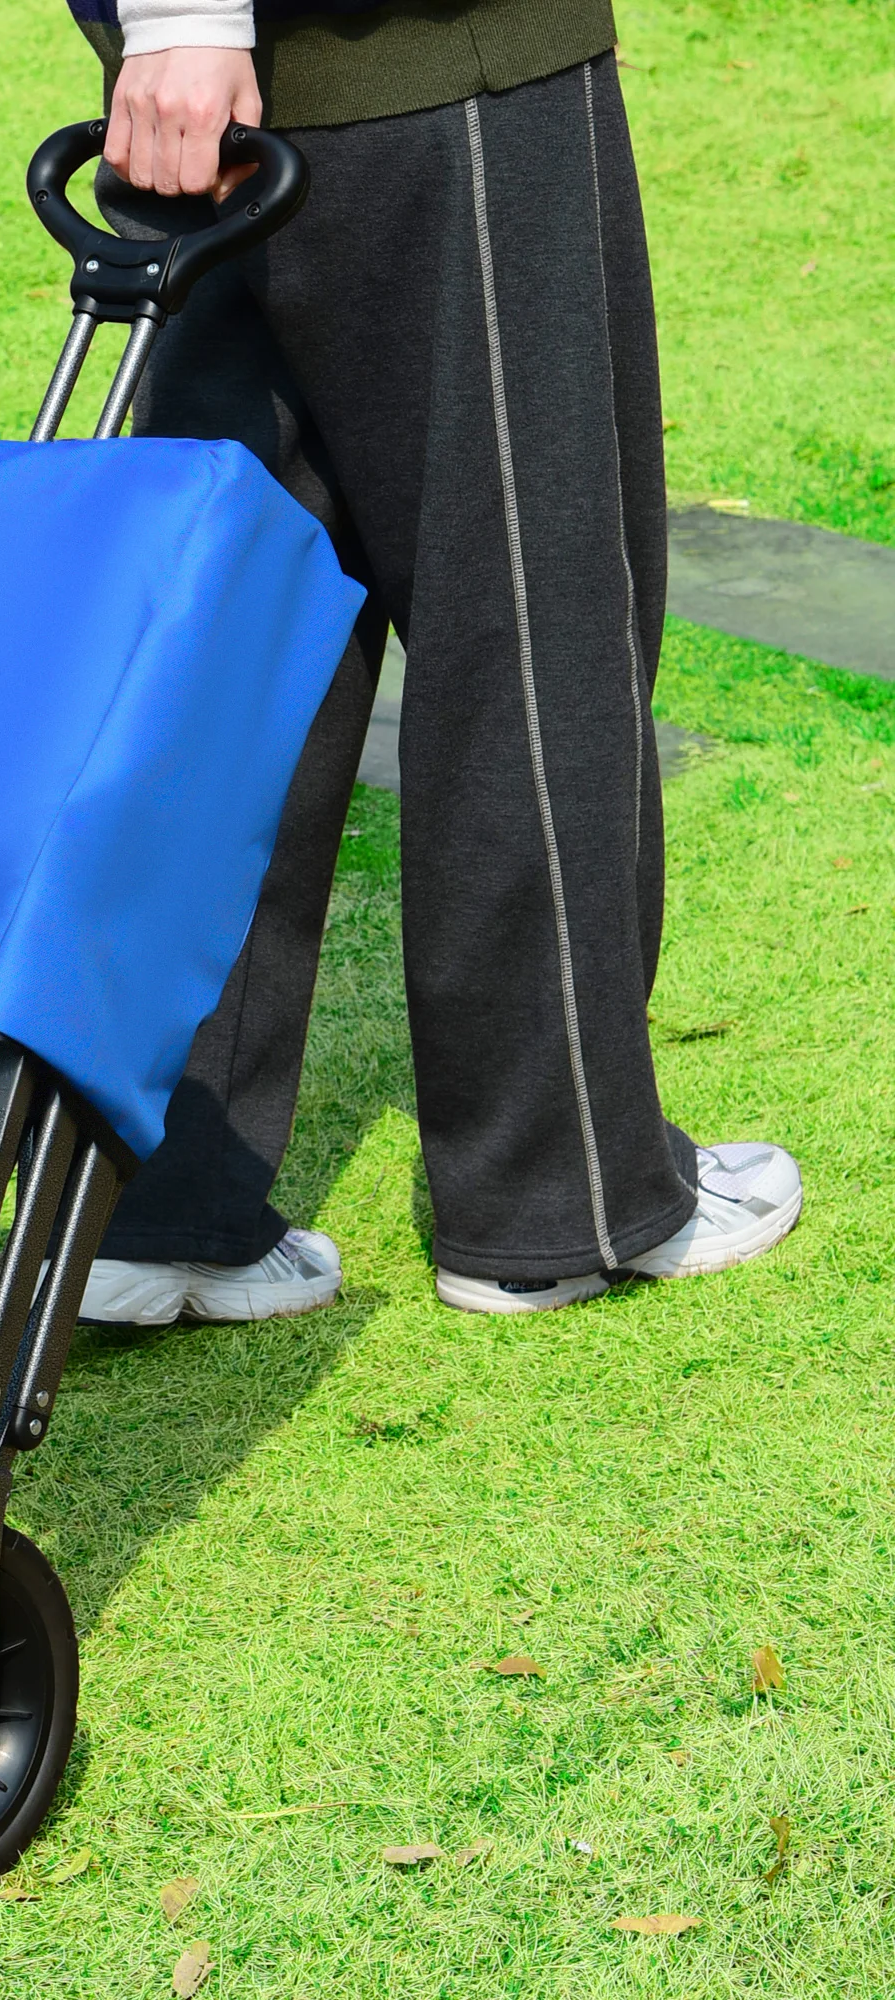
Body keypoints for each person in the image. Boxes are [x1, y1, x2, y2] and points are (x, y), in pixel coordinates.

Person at [63, 0, 804, 1320]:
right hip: (432, 49)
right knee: (527, 607)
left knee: (235, 629)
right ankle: (554, 1198)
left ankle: (160, 1203)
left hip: (199, 90)